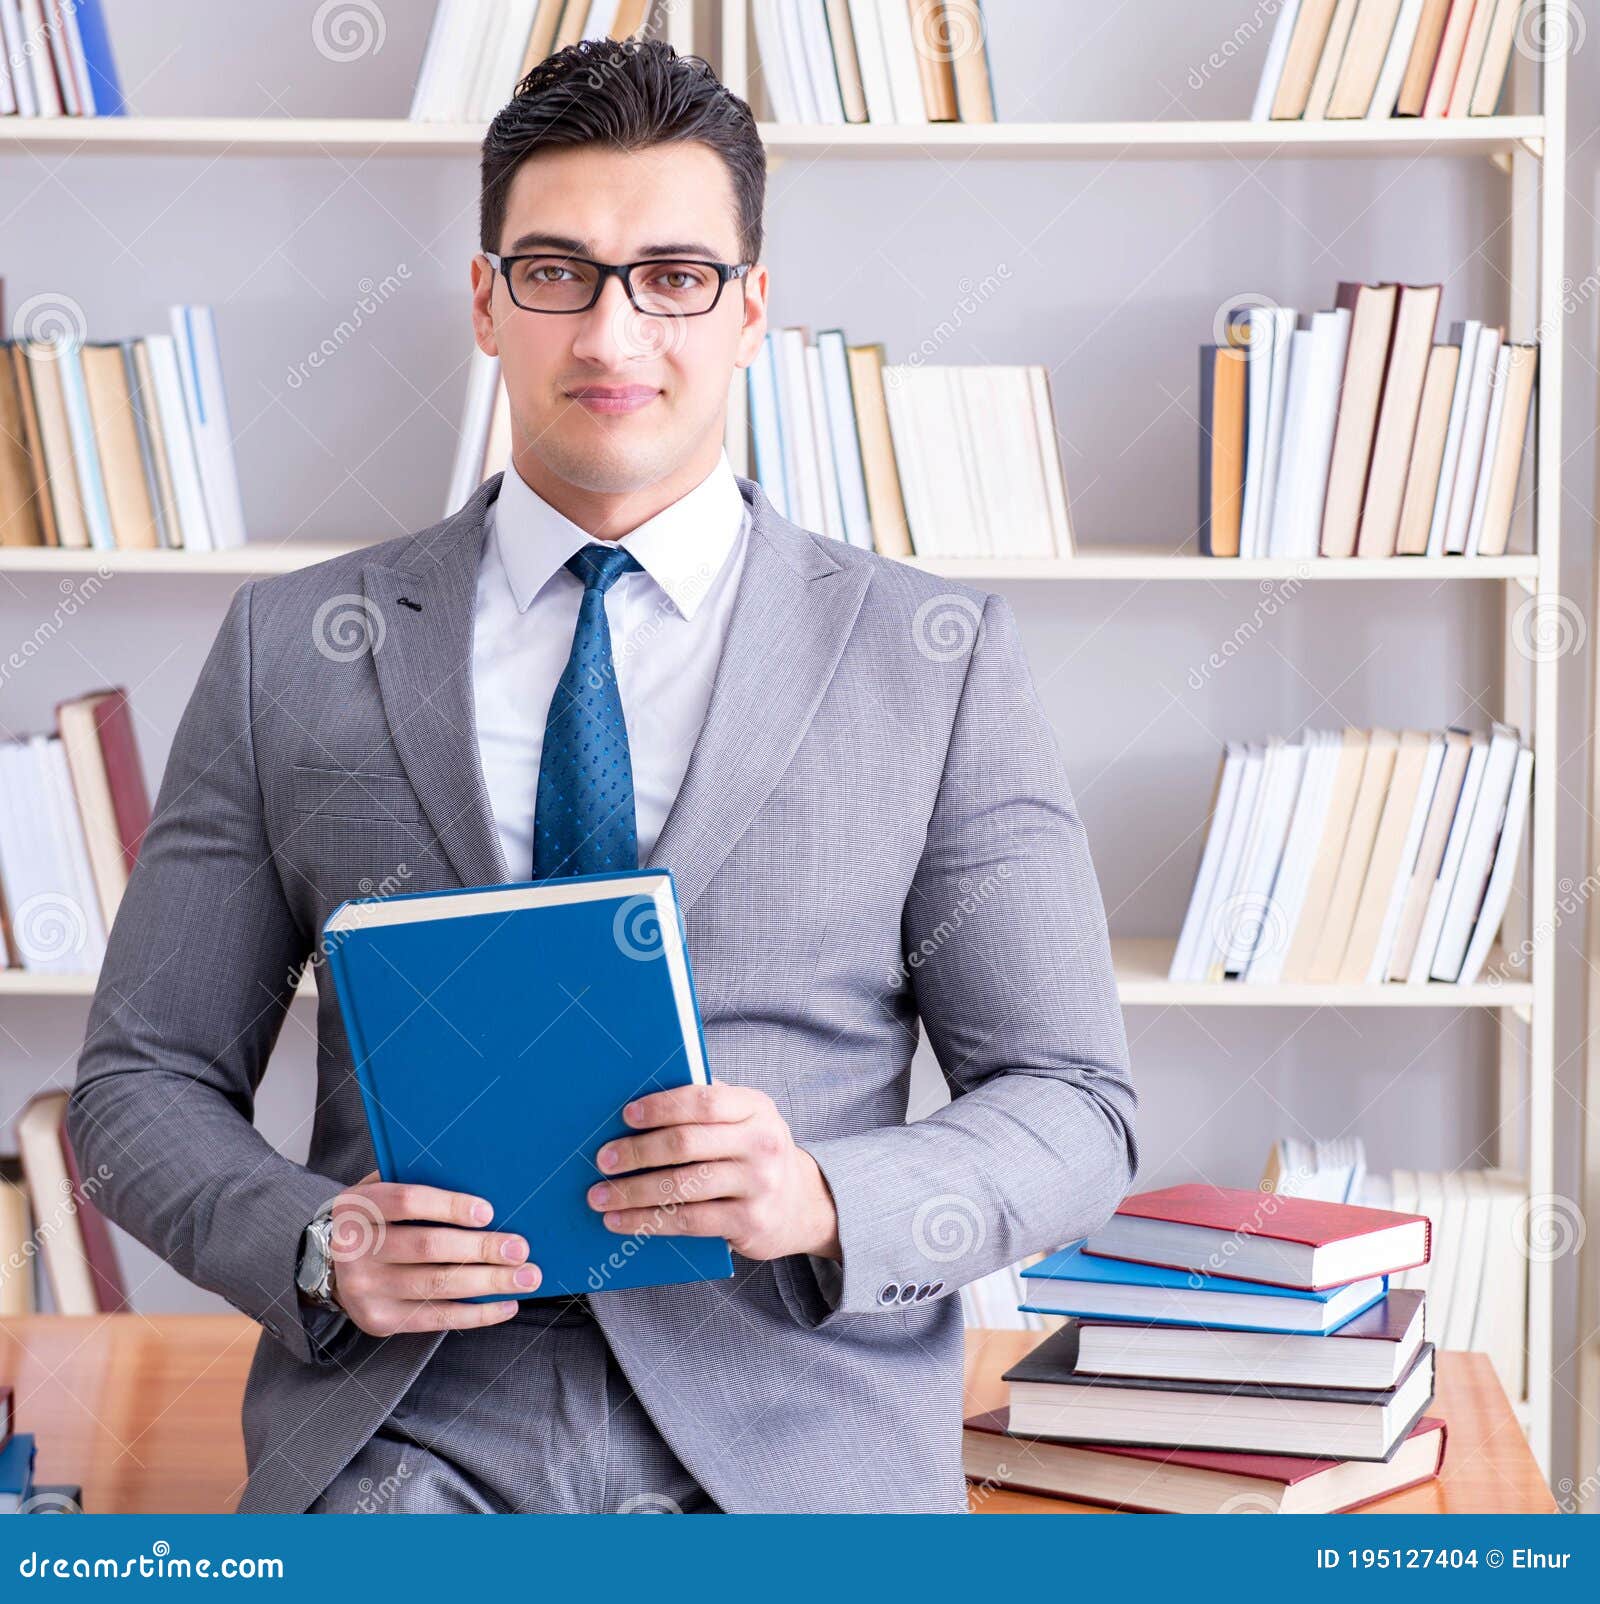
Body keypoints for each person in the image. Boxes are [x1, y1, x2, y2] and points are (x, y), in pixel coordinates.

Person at [68, 38, 1137, 1515]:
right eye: (558, 272)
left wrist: (830, 1196)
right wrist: (321, 1245)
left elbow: (1077, 1100)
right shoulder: (296, 648)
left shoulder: (931, 655)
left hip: (796, 1439)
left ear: (751, 308)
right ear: (487, 301)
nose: (614, 334)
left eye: (675, 276)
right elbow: (138, 1086)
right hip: (408, 1436)